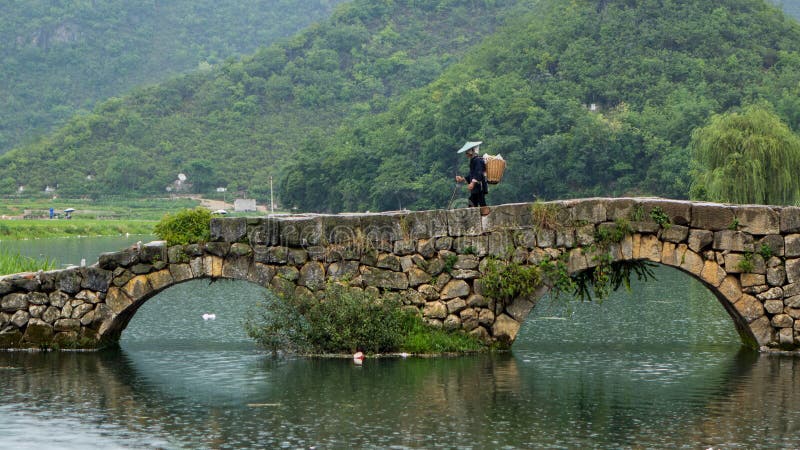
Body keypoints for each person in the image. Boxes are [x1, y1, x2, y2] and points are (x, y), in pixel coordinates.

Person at [455, 141, 488, 208]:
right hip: (476, 188)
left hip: (479, 187)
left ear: (472, 151)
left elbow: (478, 173)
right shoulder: (473, 161)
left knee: (481, 203)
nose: (466, 154)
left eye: (467, 152)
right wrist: (462, 179)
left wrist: (472, 183)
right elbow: (471, 174)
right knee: (472, 202)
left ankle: (485, 216)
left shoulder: (478, 160)